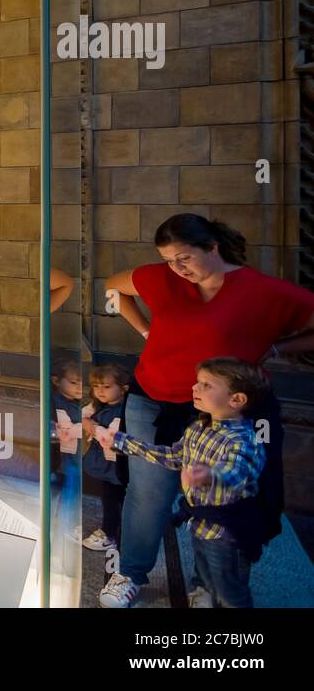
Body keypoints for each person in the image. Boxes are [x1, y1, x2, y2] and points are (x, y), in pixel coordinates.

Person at [98, 213, 314, 608]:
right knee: (148, 492)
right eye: (168, 260)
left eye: (184, 258)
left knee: (216, 497)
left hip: (219, 413)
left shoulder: (261, 291)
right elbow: (114, 286)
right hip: (155, 396)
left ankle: (206, 585)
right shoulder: (163, 279)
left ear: (212, 247)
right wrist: (146, 330)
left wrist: (279, 349)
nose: (177, 269)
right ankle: (129, 573)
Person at [94, 358, 268, 608]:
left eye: (207, 385)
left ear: (237, 400)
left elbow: (237, 471)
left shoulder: (243, 440)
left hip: (229, 533)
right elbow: (173, 456)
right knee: (206, 564)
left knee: (230, 589)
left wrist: (209, 475)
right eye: (198, 383)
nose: (195, 389)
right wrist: (123, 442)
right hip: (200, 525)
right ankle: (204, 588)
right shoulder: (199, 427)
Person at [81, 363, 130, 552]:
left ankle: (112, 533)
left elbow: (110, 438)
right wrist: (88, 422)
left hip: (118, 465)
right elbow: (82, 415)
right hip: (106, 464)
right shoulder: (99, 404)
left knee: (117, 499)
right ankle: (110, 531)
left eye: (107, 387)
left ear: (123, 389)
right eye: (96, 386)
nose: (100, 391)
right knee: (108, 497)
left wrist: (94, 427)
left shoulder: (124, 411)